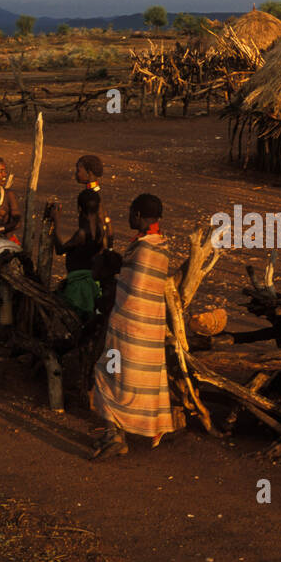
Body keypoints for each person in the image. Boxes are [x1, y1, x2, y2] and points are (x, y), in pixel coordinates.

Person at [90, 193, 174, 459]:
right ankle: (120, 432)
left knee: (107, 374)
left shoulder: (144, 248)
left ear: (137, 215)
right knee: (139, 381)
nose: (128, 217)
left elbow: (133, 289)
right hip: (151, 331)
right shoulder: (160, 245)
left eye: (130, 212)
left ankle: (114, 435)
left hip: (129, 328)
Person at [46, 188, 106, 321]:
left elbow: (60, 249)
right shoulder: (101, 230)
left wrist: (56, 221)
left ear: (79, 209)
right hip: (91, 282)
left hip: (78, 285)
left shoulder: (82, 233)